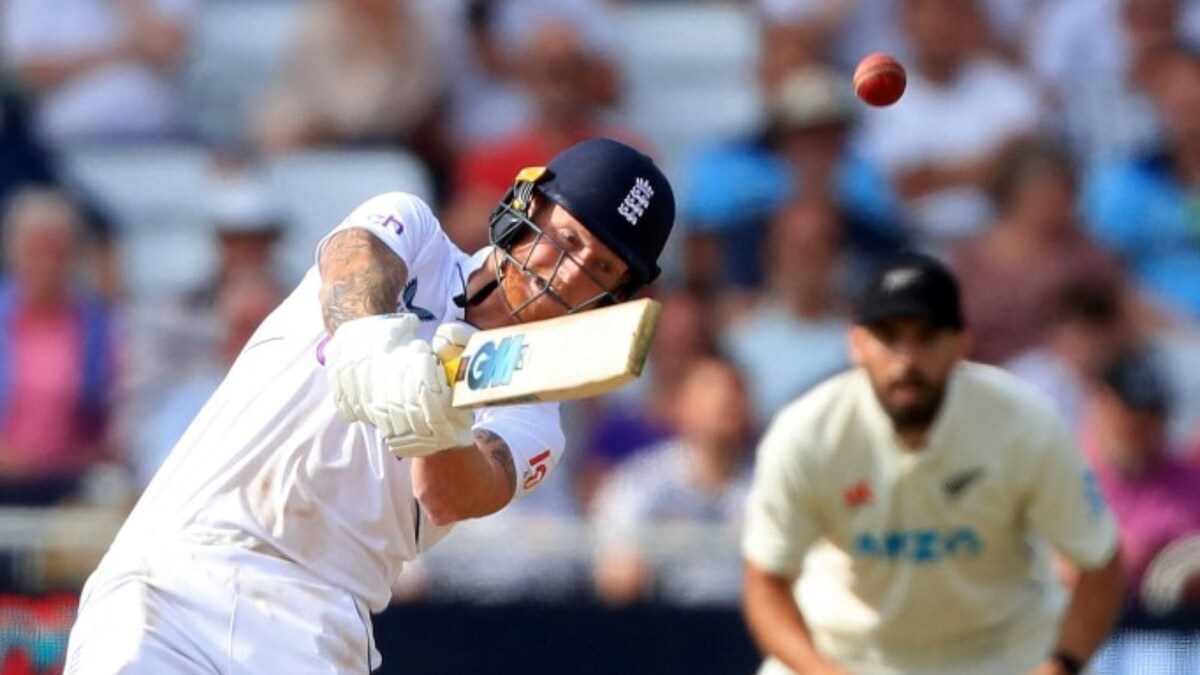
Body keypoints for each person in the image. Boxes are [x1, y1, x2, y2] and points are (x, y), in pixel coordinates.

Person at [64, 137, 675, 672]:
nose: (568, 275)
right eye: (566, 239)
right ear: (527, 204)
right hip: (181, 571)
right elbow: (355, 256)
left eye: (600, 268)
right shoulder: (414, 236)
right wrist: (373, 340)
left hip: (319, 628)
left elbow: (456, 494)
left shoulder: (536, 417)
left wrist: (440, 425)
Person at [741, 251, 1126, 675]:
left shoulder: (1026, 424)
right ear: (857, 343)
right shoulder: (807, 432)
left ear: (962, 343)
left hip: (1004, 655)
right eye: (889, 335)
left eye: (926, 336)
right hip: (846, 652)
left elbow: (1100, 563)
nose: (907, 359)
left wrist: (1060, 666)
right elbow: (766, 583)